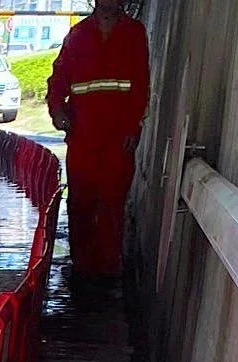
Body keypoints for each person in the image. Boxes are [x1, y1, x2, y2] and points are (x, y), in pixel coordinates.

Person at [46, 0, 150, 278]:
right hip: (83, 136)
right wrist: (57, 110)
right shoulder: (78, 35)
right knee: (80, 200)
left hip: (118, 138)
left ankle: (107, 271)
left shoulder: (133, 34)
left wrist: (132, 128)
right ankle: (81, 267)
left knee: (112, 202)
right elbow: (58, 79)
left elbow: (141, 83)